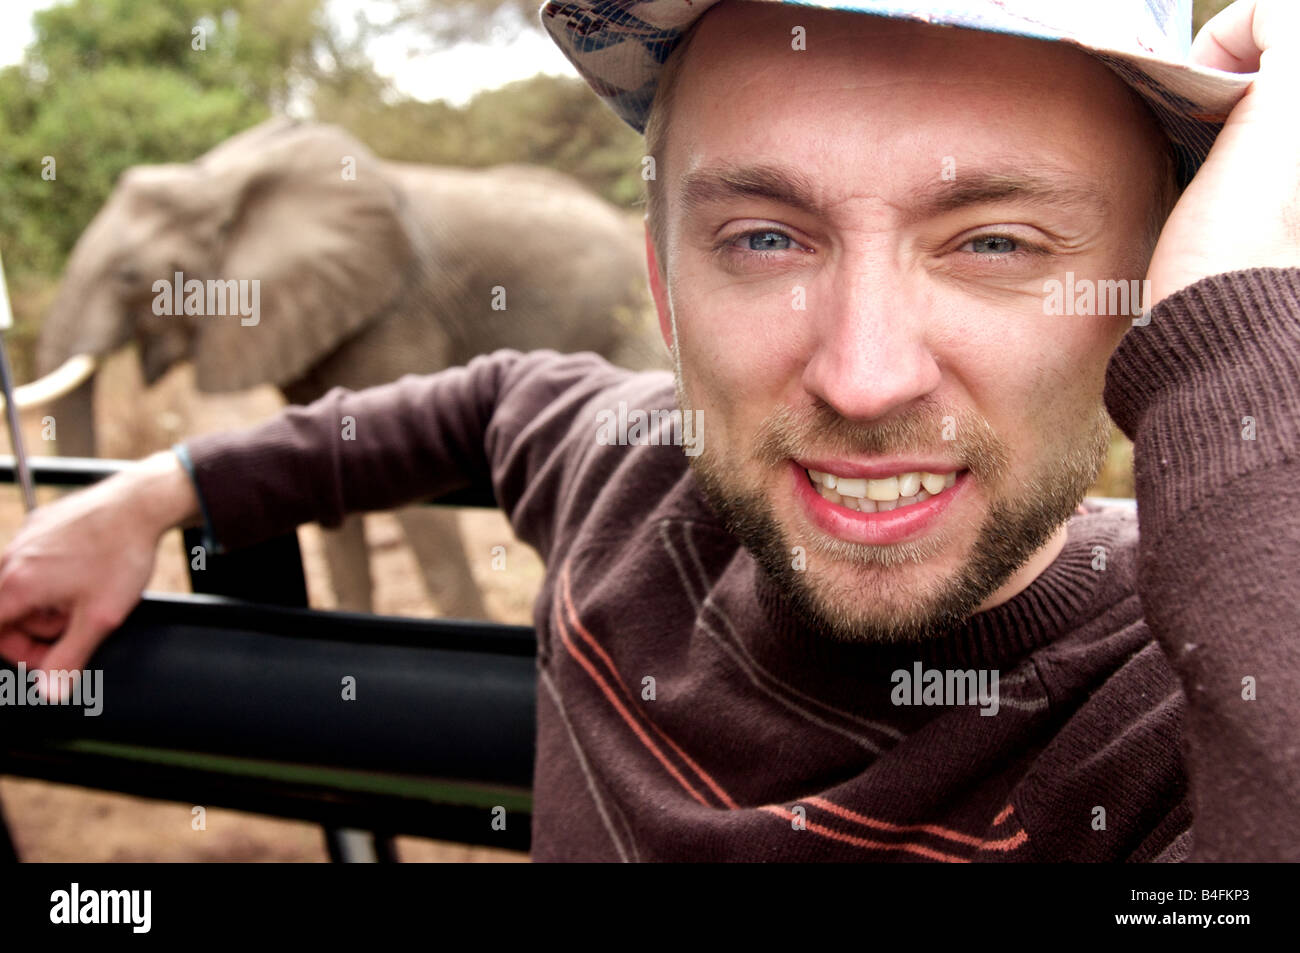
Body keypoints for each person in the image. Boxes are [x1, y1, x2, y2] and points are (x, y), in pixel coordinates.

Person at [1, 0, 1297, 861]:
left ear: (1152, 287)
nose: (862, 377)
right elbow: (479, 395)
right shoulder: (619, 469)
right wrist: (150, 493)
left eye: (999, 241)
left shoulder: (1183, 715)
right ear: (665, 290)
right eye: (766, 236)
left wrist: (1237, 350)